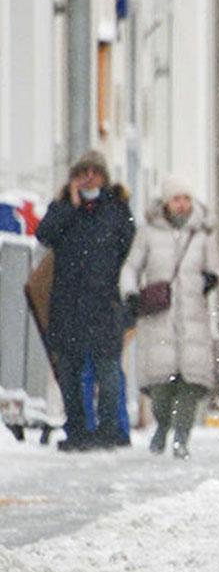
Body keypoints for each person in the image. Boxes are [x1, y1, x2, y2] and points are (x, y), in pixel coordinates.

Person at [36, 151, 136, 451]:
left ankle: (108, 430)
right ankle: (77, 429)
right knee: (69, 372)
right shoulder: (63, 209)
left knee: (107, 372)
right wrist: (71, 207)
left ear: (104, 177)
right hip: (68, 305)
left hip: (104, 304)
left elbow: (127, 247)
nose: (89, 178)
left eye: (95, 172)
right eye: (82, 172)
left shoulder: (116, 209)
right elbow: (44, 234)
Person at [120, 177, 219, 458]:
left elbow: (214, 267)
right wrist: (130, 293)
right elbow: (131, 267)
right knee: (161, 385)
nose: (182, 204)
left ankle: (182, 437)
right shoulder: (148, 233)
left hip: (192, 316)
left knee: (190, 383)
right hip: (159, 316)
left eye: (186, 199)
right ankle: (163, 425)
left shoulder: (202, 234)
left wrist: (211, 279)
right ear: (165, 202)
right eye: (176, 199)